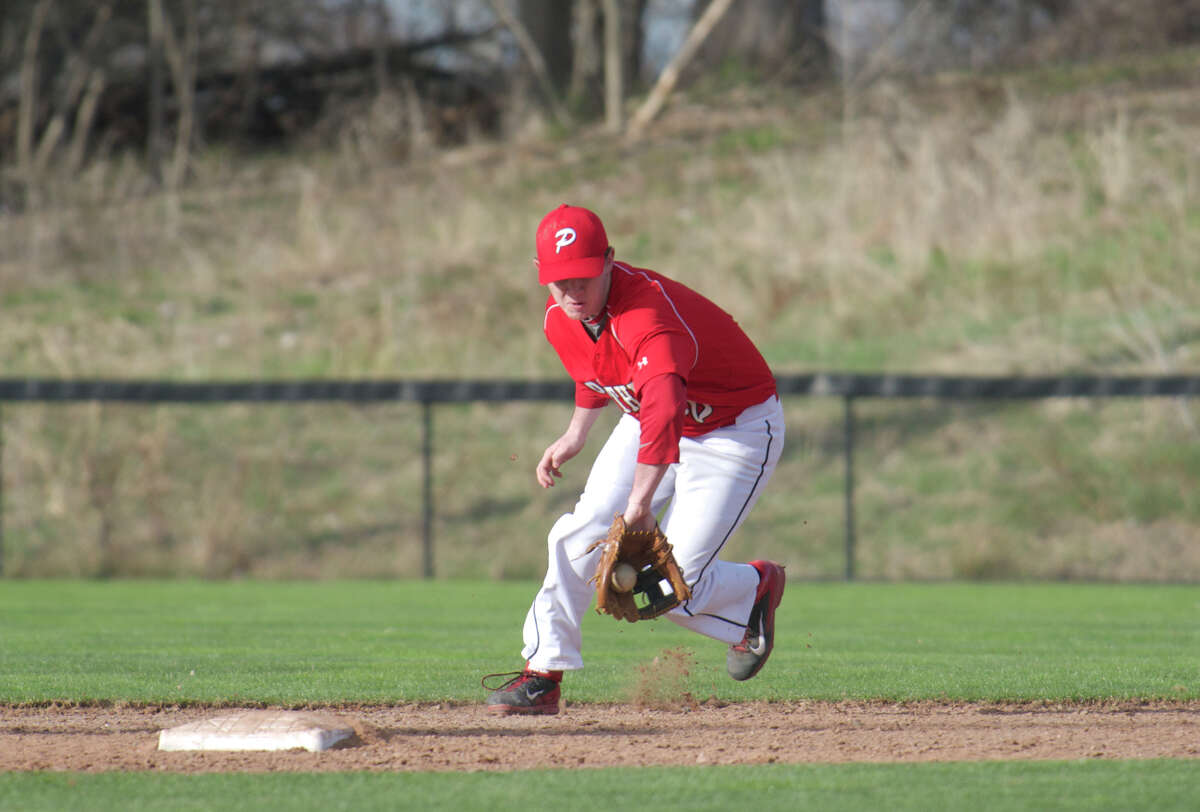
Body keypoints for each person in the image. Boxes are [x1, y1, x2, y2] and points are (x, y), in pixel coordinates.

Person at [483, 204, 786, 715]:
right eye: (560, 281)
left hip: (732, 431)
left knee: (669, 591)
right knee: (577, 535)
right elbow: (596, 368)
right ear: (541, 277)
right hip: (650, 417)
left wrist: (640, 506)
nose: (573, 291)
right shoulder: (562, 318)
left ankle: (756, 587)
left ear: (609, 262)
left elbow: (665, 408)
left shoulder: (647, 317)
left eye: (583, 276)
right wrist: (576, 432)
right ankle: (543, 675)